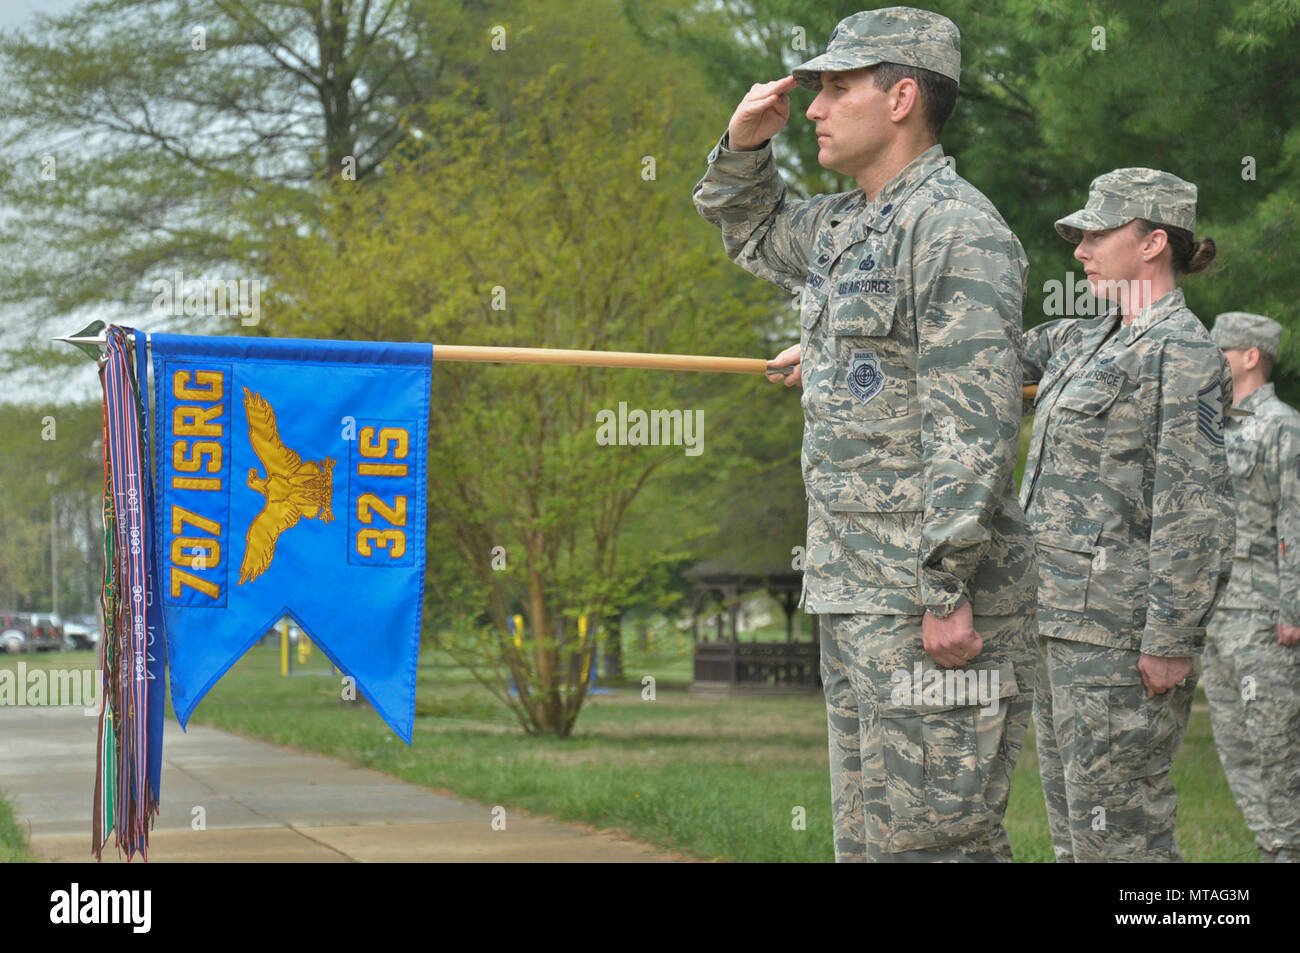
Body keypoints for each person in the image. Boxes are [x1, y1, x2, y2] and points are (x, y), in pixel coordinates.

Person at [693, 6, 1038, 862]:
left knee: (939, 840)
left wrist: (946, 587)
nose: (812, 108)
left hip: (926, 598)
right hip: (852, 585)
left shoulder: (955, 228)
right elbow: (756, 233)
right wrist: (743, 146)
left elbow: (975, 421)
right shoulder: (848, 227)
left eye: (836, 88)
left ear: (901, 98)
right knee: (874, 843)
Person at [1021, 169, 1235, 862]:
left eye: (1096, 233)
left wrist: (1170, 638)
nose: (1079, 248)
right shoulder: (1082, 340)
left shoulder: (1186, 352)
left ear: (1153, 243)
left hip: (1121, 638)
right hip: (1056, 618)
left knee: (1124, 840)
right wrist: (832, 351)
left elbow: (1194, 506)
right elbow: (964, 355)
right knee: (1076, 835)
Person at [1203, 311, 1300, 863]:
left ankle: (1288, 848)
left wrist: (1292, 608)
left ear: (1250, 357)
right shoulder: (1219, 423)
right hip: (1219, 612)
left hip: (1264, 616)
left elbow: (1293, 518)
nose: (1215, 360)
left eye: (1224, 351)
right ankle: (1273, 847)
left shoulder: (1281, 425)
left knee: (1275, 745)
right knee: (1235, 743)